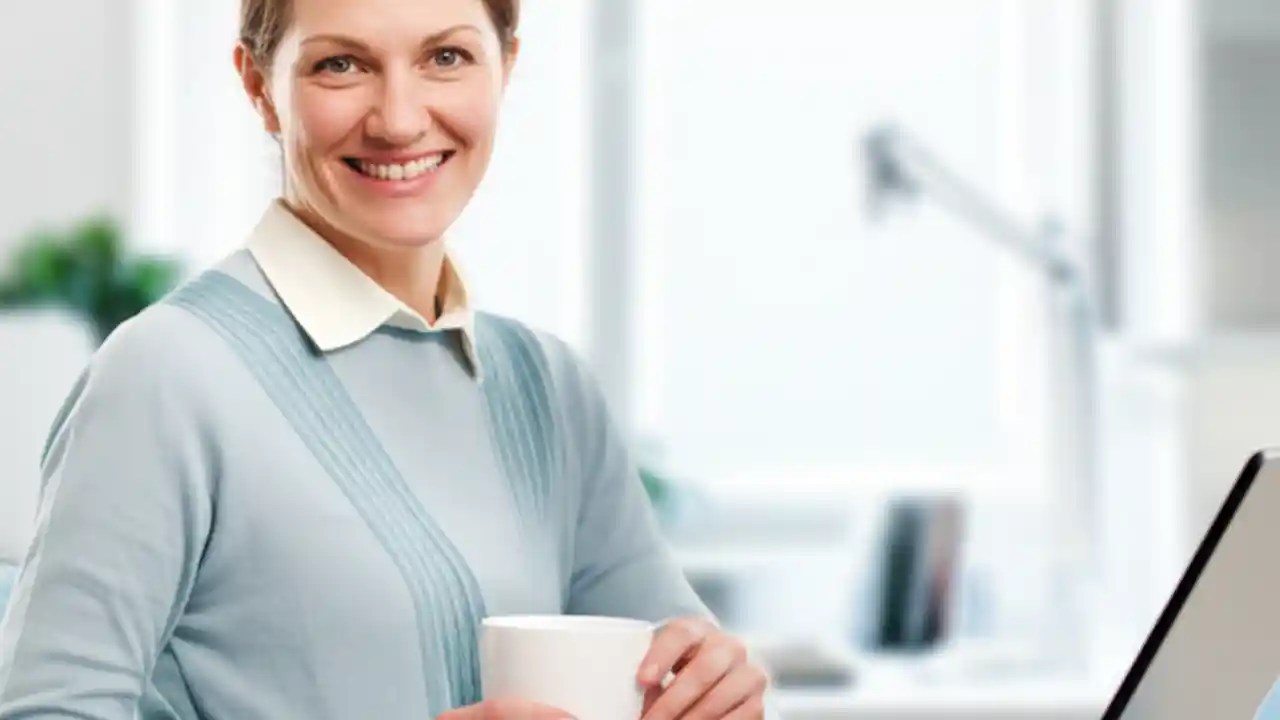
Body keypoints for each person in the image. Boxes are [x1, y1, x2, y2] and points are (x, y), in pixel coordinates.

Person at [0, 0, 775, 718]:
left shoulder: (549, 388)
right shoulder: (168, 374)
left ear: (506, 65)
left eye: (446, 57)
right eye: (340, 64)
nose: (399, 121)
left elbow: (670, 671)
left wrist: (716, 689)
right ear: (260, 86)